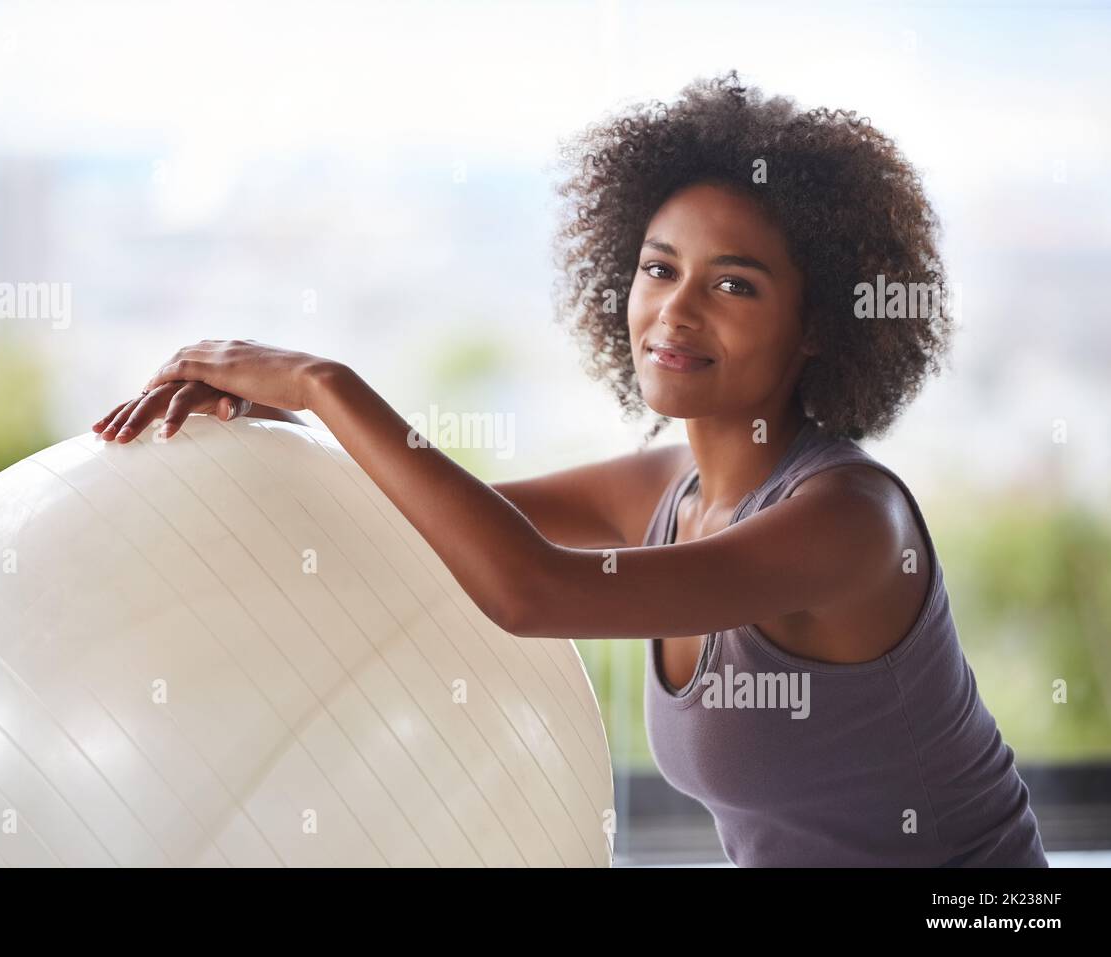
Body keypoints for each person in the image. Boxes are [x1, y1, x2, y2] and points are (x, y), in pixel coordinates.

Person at [92, 71, 1046, 867]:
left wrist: (322, 382)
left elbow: (530, 591)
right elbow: (423, 526)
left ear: (817, 328)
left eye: (733, 284)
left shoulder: (850, 523)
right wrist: (258, 430)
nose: (674, 314)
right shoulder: (662, 490)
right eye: (658, 268)